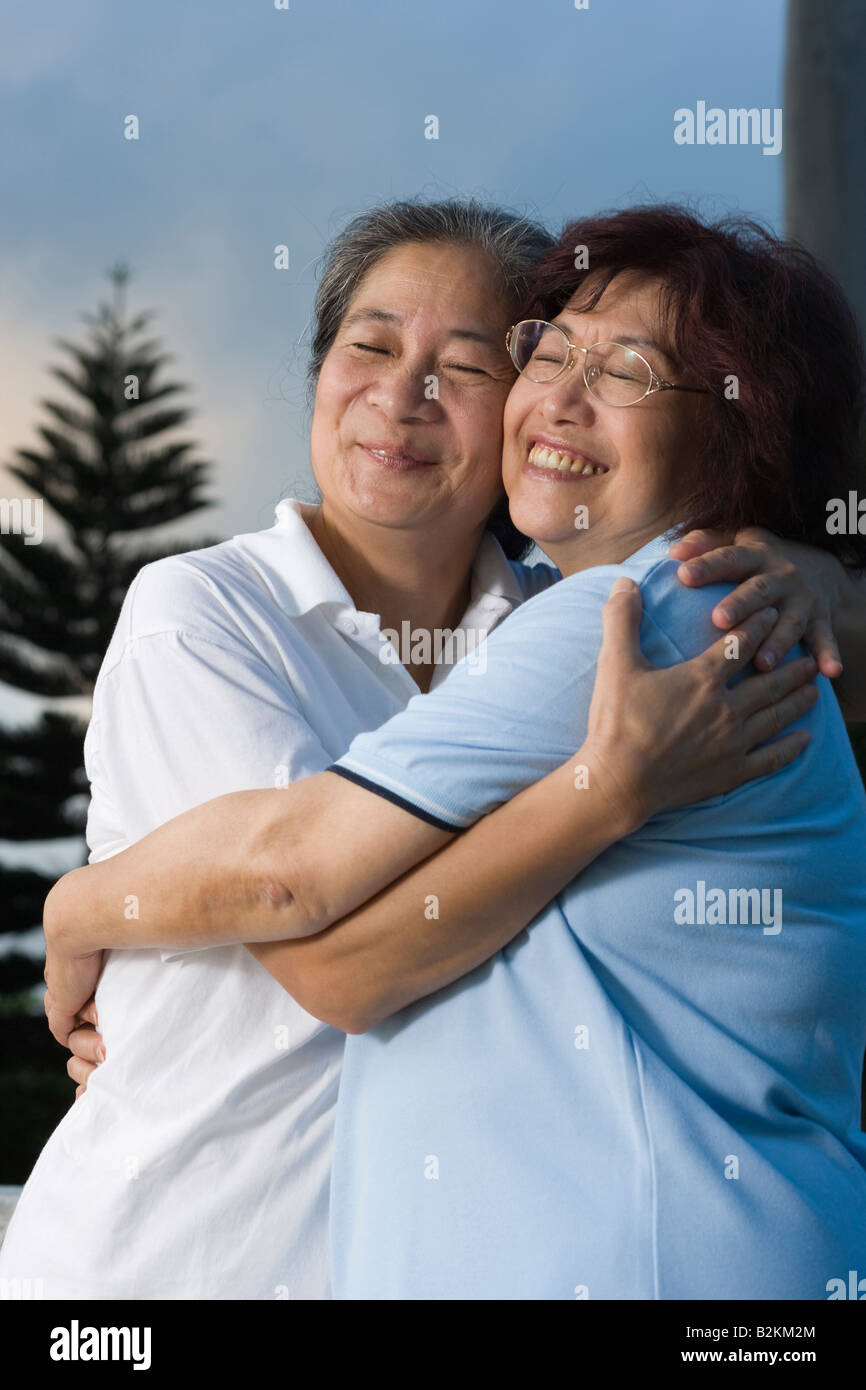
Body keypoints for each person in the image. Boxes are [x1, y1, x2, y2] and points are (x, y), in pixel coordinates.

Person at [16, 204, 866, 1302]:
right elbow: (285, 883)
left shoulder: (578, 621)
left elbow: (324, 936)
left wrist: (811, 567)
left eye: (467, 363)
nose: (400, 394)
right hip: (180, 1259)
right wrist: (82, 905)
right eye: (367, 346)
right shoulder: (205, 609)